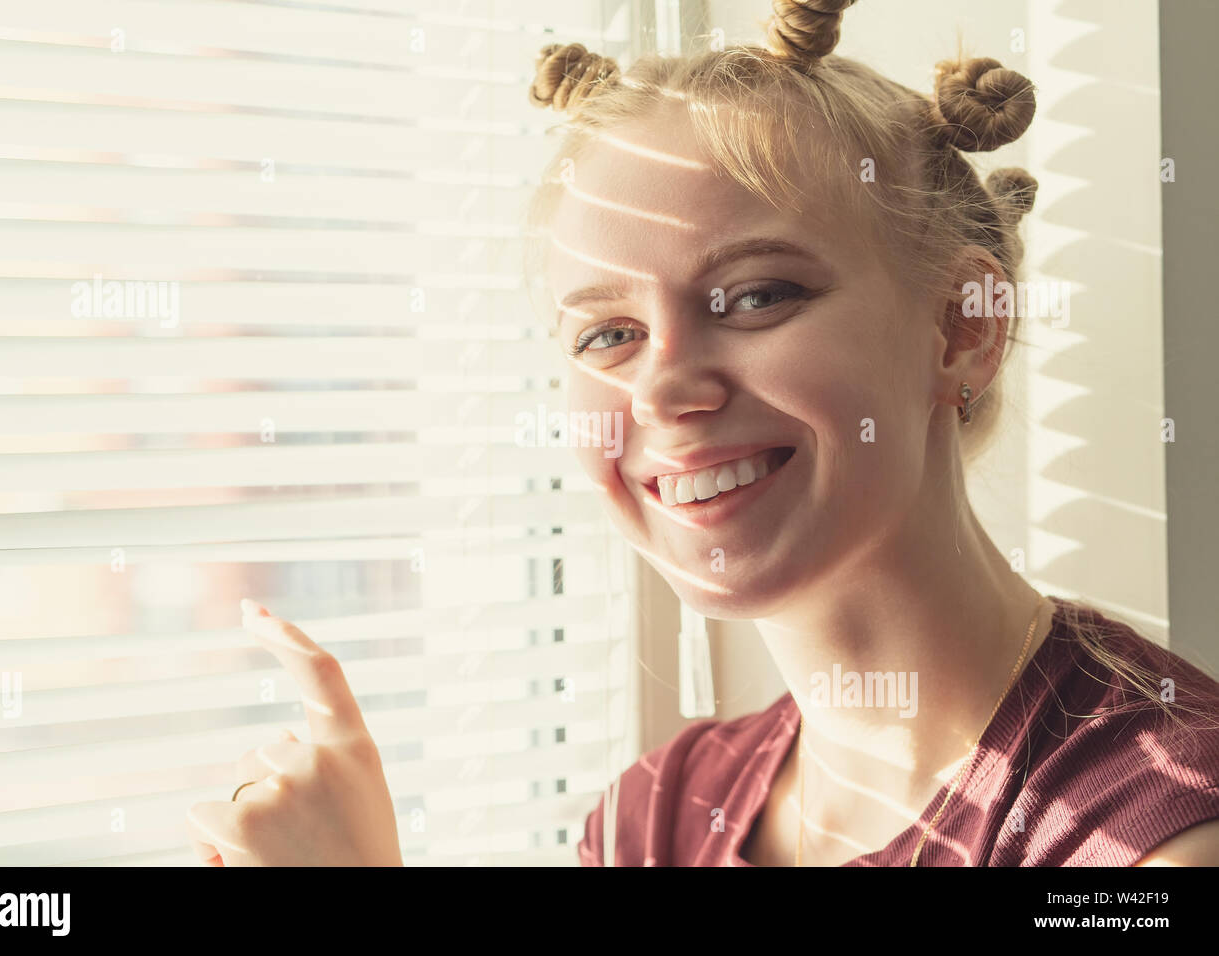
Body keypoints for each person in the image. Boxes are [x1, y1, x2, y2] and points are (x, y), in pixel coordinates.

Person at [521, 0, 1219, 865]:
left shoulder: (1154, 830)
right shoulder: (655, 817)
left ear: (964, 326)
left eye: (756, 296)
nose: (664, 390)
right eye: (607, 335)